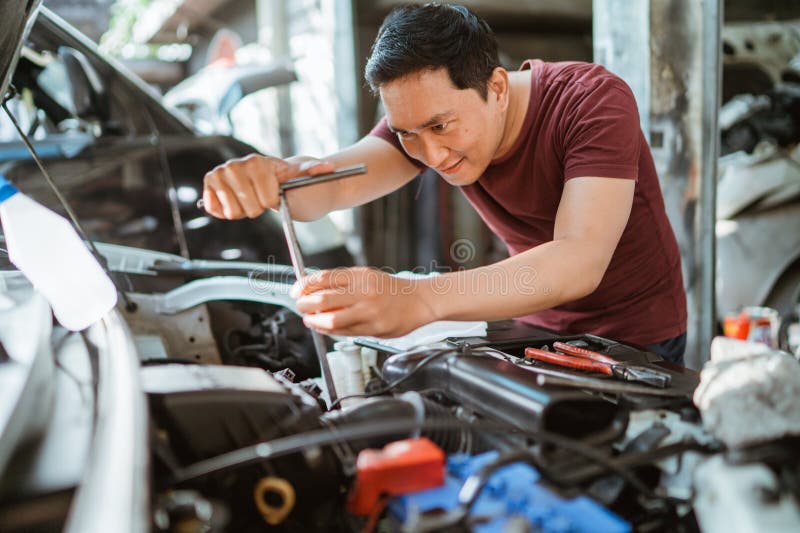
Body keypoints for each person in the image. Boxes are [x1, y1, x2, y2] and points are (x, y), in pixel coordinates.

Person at [202, 4, 687, 364]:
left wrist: (418, 298)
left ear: (496, 88)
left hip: (636, 334)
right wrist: (270, 182)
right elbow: (332, 185)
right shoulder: (419, 125)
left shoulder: (590, 103)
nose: (431, 156)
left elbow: (578, 260)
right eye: (408, 134)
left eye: (440, 127)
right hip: (533, 321)